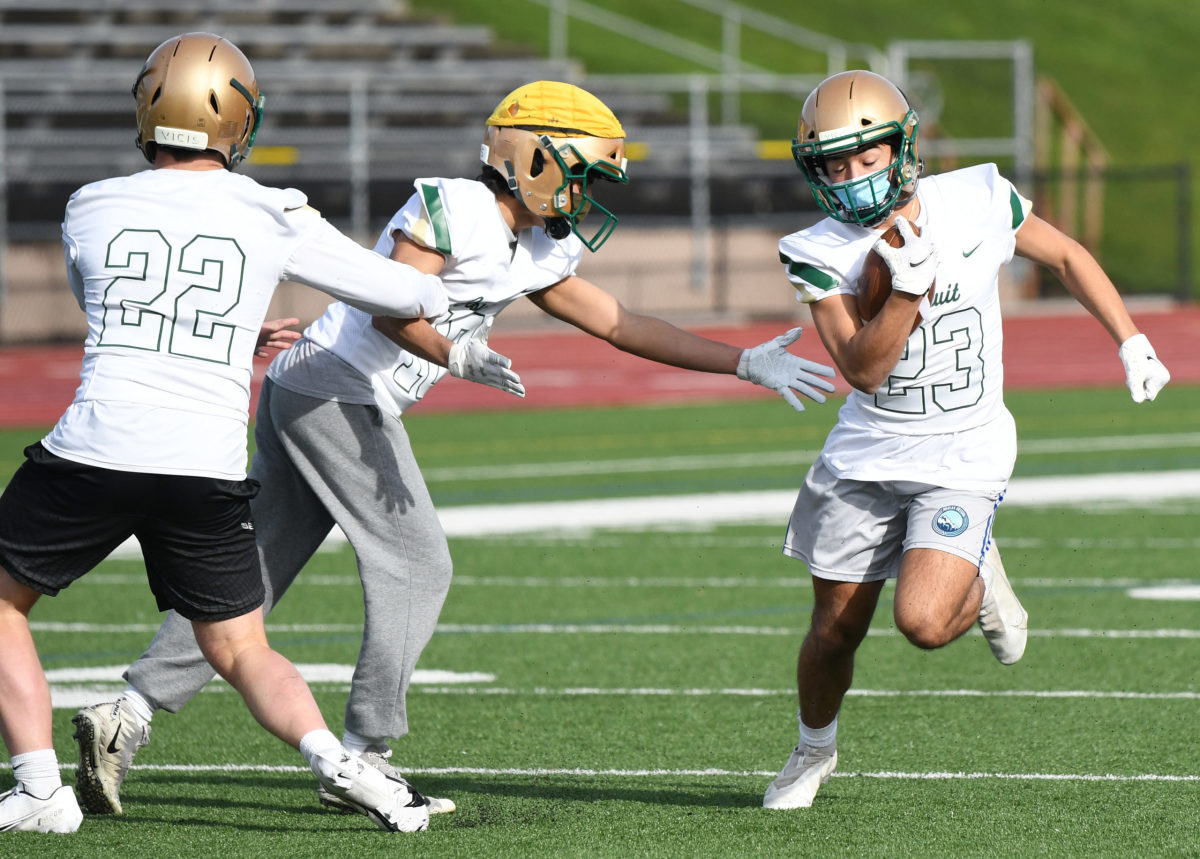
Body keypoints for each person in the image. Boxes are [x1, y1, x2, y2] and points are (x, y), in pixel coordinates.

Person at [71, 80, 839, 819]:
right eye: (581, 175)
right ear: (534, 159)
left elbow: (618, 323)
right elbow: (389, 307)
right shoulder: (459, 206)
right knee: (418, 561)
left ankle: (125, 712)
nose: (586, 195)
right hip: (335, 385)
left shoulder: (535, 247)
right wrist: (454, 352)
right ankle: (365, 754)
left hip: (317, 386)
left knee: (256, 575)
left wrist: (741, 360)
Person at [0, 31, 531, 835]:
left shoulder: (90, 202)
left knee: (5, 605)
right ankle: (356, 772)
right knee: (244, 647)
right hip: (204, 467)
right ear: (240, 124)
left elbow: (111, 309)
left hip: (96, 449)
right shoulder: (273, 211)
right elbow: (398, 289)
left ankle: (40, 786)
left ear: (145, 107)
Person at [761, 69, 1171, 811]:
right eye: (835, 164)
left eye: (866, 157)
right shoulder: (817, 249)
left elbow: (1067, 255)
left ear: (901, 148)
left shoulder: (976, 199)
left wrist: (1130, 339)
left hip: (964, 449)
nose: (851, 177)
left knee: (921, 621)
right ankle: (812, 749)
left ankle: (980, 573)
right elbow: (862, 369)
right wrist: (908, 294)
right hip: (868, 454)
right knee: (833, 629)